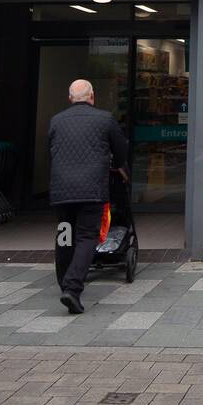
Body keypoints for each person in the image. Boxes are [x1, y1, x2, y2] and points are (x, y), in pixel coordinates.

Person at [49, 78, 128, 314]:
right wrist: (119, 165)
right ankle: (72, 288)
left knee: (65, 235)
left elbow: (51, 150)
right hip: (92, 189)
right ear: (92, 96)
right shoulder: (105, 119)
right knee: (86, 237)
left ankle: (64, 282)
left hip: (62, 189)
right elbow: (121, 149)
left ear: (70, 98)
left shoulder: (56, 120)